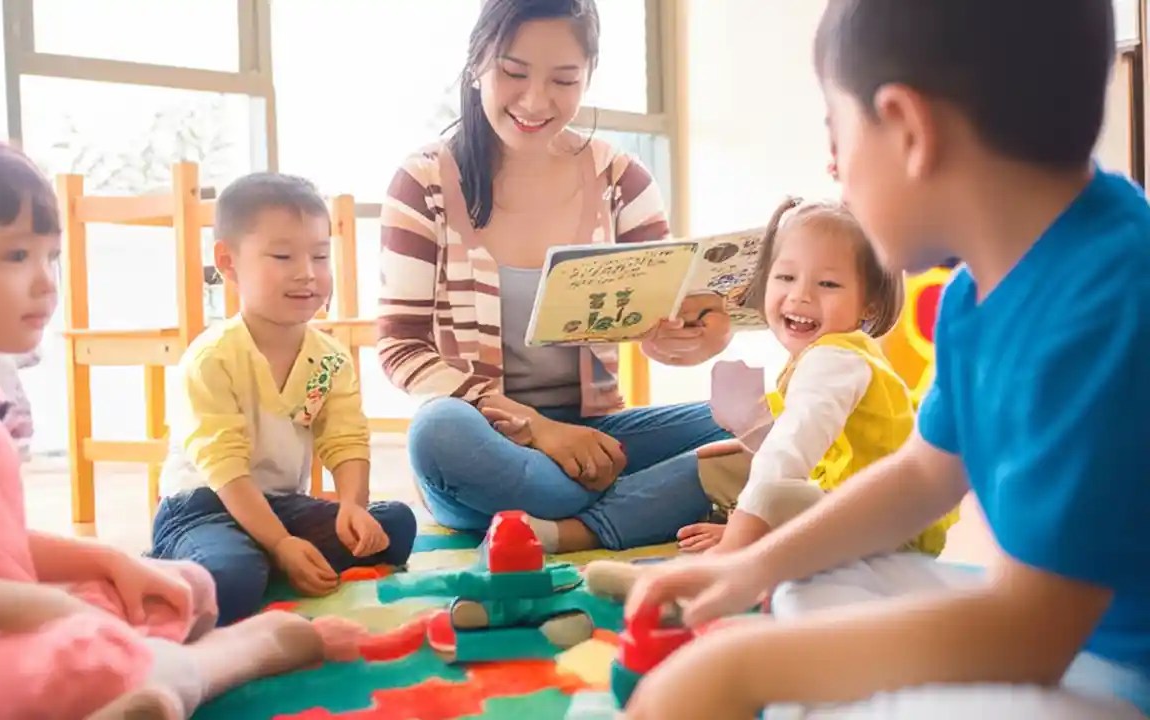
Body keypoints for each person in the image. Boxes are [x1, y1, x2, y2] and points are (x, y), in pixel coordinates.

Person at [623, 2, 1150, 719]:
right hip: (1059, 628)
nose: (834, 169)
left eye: (836, 137)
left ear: (908, 131)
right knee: (817, 580)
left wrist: (745, 669)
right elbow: (924, 473)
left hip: (1112, 664)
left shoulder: (1110, 297)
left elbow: (1032, 634)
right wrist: (751, 565)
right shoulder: (976, 293)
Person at [0, 128, 362, 720]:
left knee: (185, 588)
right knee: (79, 655)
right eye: (15, 256)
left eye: (50, 255)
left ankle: (141, 667)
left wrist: (109, 563)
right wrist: (55, 613)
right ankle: (221, 660)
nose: (47, 281)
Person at [377, 0, 732, 549]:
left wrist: (695, 336)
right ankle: (636, 505)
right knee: (436, 432)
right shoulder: (423, 181)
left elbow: (658, 326)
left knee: (756, 418)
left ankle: (565, 523)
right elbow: (401, 348)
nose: (535, 100)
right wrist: (539, 431)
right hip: (485, 441)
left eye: (563, 79)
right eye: (513, 73)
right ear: (477, 65)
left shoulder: (621, 181)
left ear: (588, 76)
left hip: (597, 441)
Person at [542, 197, 958, 556]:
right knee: (719, 461)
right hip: (854, 507)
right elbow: (816, 450)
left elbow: (789, 456)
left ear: (868, 304)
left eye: (828, 283)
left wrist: (738, 539)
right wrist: (751, 429)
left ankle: (578, 532)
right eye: (786, 277)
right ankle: (586, 528)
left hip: (882, 528)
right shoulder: (821, 355)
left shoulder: (835, 359)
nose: (800, 296)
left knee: (759, 477)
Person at [151, 173, 417, 626]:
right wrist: (280, 543)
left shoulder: (329, 358)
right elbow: (227, 469)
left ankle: (267, 561)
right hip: (203, 505)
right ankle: (230, 563)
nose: (307, 273)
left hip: (279, 503)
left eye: (319, 256)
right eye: (282, 256)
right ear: (228, 262)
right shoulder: (212, 358)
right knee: (232, 579)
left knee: (392, 525)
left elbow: (346, 437)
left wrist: (352, 505)